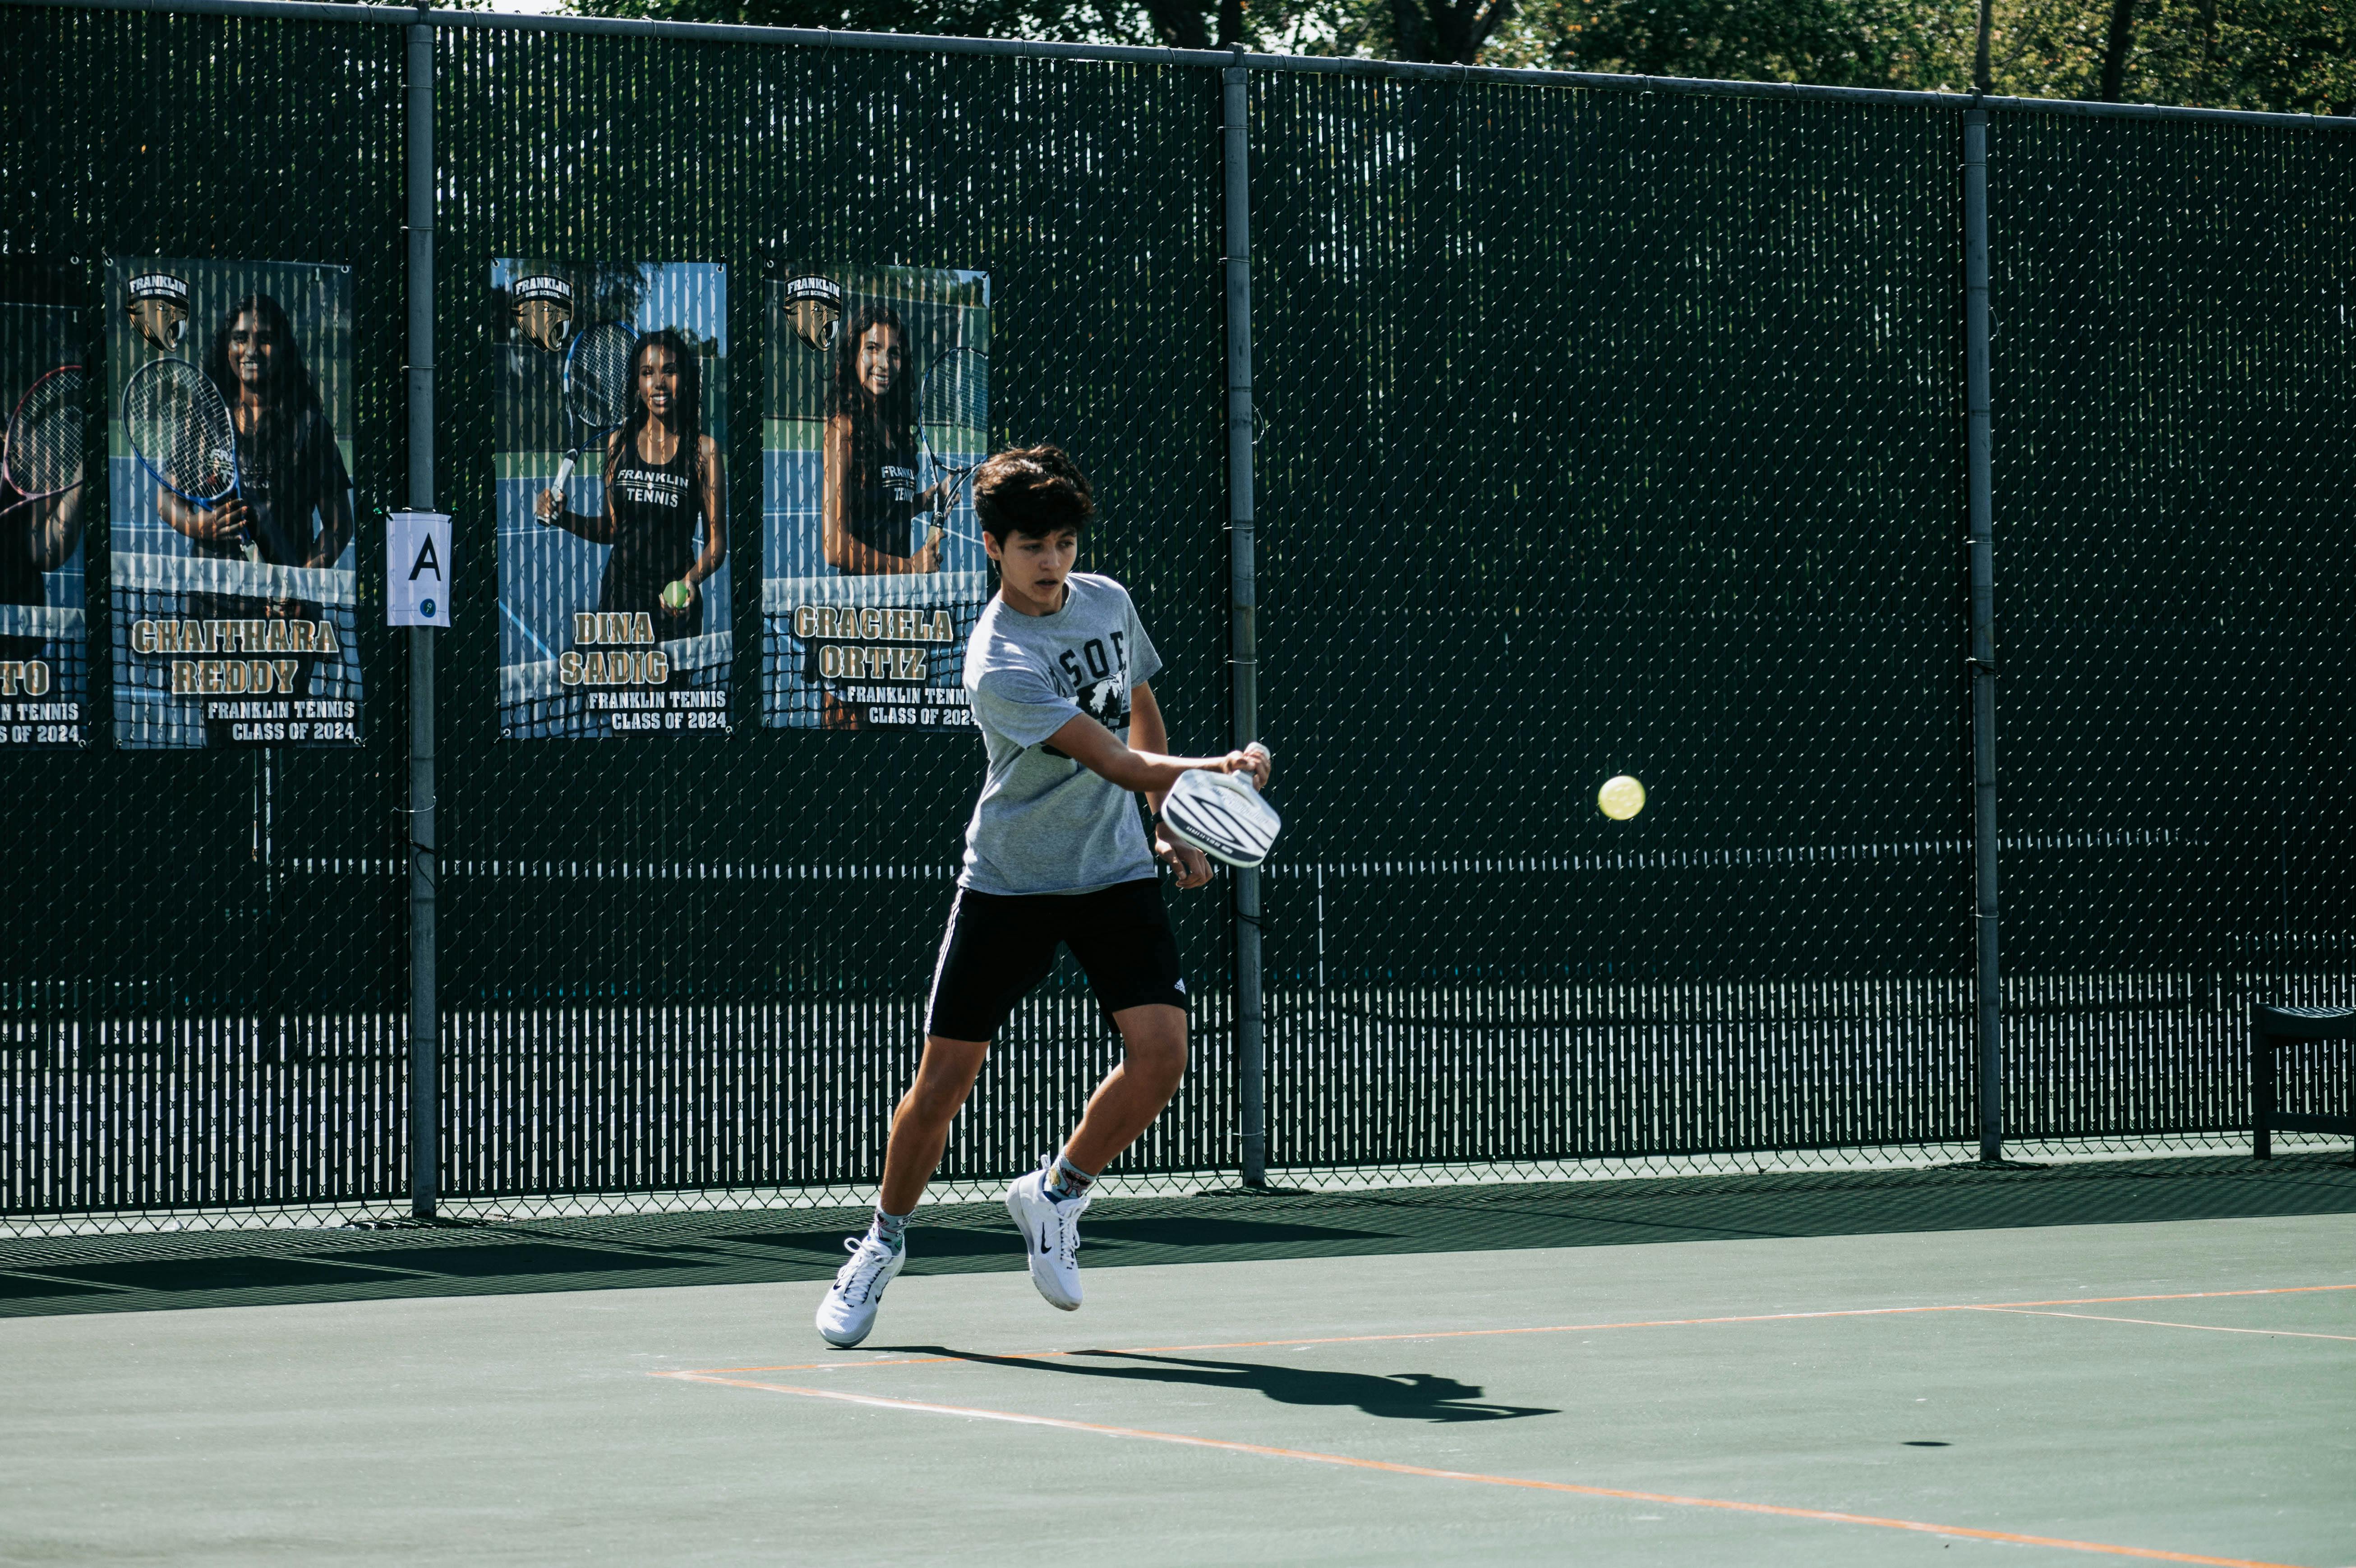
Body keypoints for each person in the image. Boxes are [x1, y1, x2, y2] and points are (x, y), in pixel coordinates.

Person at [815, 445, 1272, 1349]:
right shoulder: (996, 659)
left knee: (1162, 1055)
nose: (1053, 560)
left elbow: (1138, 715)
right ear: (992, 546)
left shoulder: (1105, 598)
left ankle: (1055, 1192)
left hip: (1111, 869)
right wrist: (1215, 769)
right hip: (1012, 881)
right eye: (1033, 545)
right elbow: (1108, 755)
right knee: (943, 1082)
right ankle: (880, 1243)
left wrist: (1171, 820)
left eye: (1064, 541)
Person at [157, 294, 352, 711]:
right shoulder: (203, 417)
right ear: (226, 347)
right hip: (213, 609)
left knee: (281, 736)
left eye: (263, 339)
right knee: (222, 736)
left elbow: (339, 527)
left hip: (287, 618)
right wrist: (201, 526)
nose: (250, 349)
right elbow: (166, 500)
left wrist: (300, 583)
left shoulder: (309, 425)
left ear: (281, 347)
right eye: (240, 338)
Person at [536, 328, 725, 631]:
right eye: (647, 373)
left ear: (685, 380)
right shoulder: (619, 444)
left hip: (673, 612)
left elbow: (716, 543)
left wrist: (690, 580)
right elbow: (612, 529)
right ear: (637, 384)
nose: (659, 382)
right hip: (619, 602)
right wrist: (562, 518)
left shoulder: (704, 452)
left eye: (670, 371)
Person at [820, 303, 944, 578]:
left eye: (894, 353)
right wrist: (910, 567)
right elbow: (835, 548)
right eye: (873, 349)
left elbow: (881, 517)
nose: (884, 364)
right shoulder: (843, 430)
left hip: (898, 599)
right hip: (860, 603)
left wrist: (923, 502)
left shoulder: (895, 431)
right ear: (854, 355)